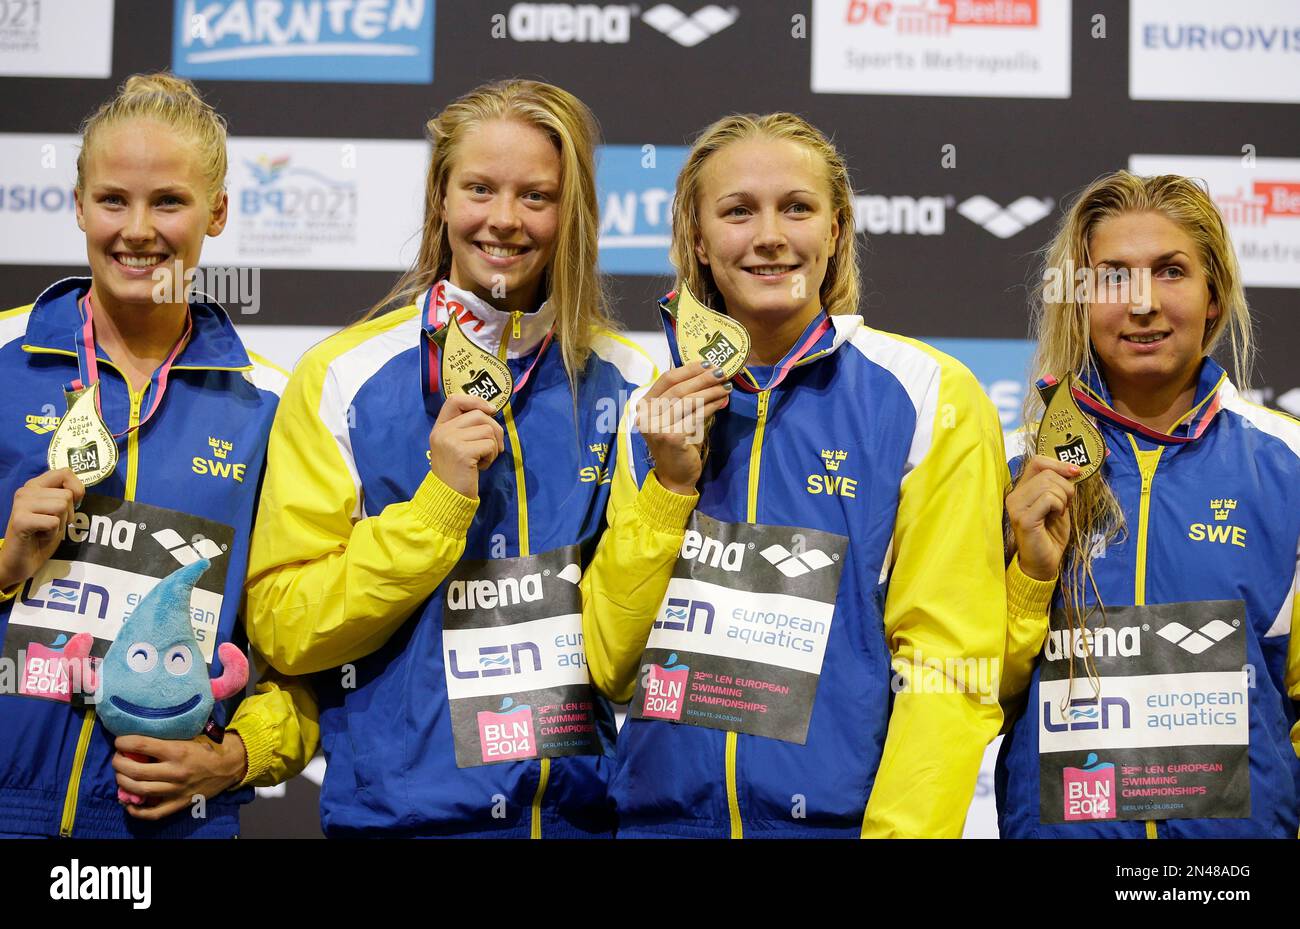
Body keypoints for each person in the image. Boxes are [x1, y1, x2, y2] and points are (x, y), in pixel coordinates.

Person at [579, 113, 1008, 838]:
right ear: (698, 241)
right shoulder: (647, 413)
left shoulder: (928, 395)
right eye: (739, 210)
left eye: (797, 208)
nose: (770, 234)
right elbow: (609, 662)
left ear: (836, 230)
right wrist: (669, 488)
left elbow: (948, 671)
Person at [245, 79, 655, 838]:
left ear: (573, 214)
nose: (504, 218)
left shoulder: (630, 383)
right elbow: (283, 625)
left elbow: (625, 649)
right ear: (440, 197)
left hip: (577, 820)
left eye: (537, 196)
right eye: (479, 188)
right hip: (400, 821)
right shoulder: (342, 375)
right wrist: (435, 508)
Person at [0, 73, 317, 838]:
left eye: (168, 202)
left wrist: (237, 755)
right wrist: (6, 562)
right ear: (76, 204)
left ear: (218, 211)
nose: (138, 230)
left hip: (173, 824)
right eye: (113, 199)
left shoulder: (273, 407)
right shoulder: (3, 359)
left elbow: (306, 655)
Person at [999, 171, 1300, 838]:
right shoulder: (1013, 468)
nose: (1142, 303)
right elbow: (971, 690)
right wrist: (1030, 578)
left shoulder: (1288, 465)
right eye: (1112, 277)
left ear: (1214, 296)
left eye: (1170, 272)